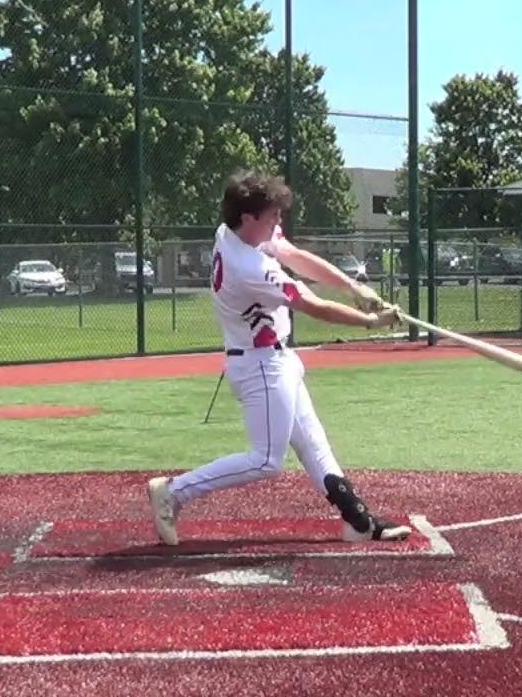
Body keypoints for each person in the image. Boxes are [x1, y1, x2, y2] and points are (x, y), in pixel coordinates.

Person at [146, 170, 411, 546]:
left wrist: (353, 286)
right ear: (249, 217)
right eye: (272, 216)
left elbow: (296, 257)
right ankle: (175, 491)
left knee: (314, 444)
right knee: (266, 459)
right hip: (260, 366)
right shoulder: (249, 268)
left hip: (276, 360)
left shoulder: (234, 234)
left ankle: (358, 521)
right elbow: (311, 304)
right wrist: (371, 321)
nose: (278, 222)